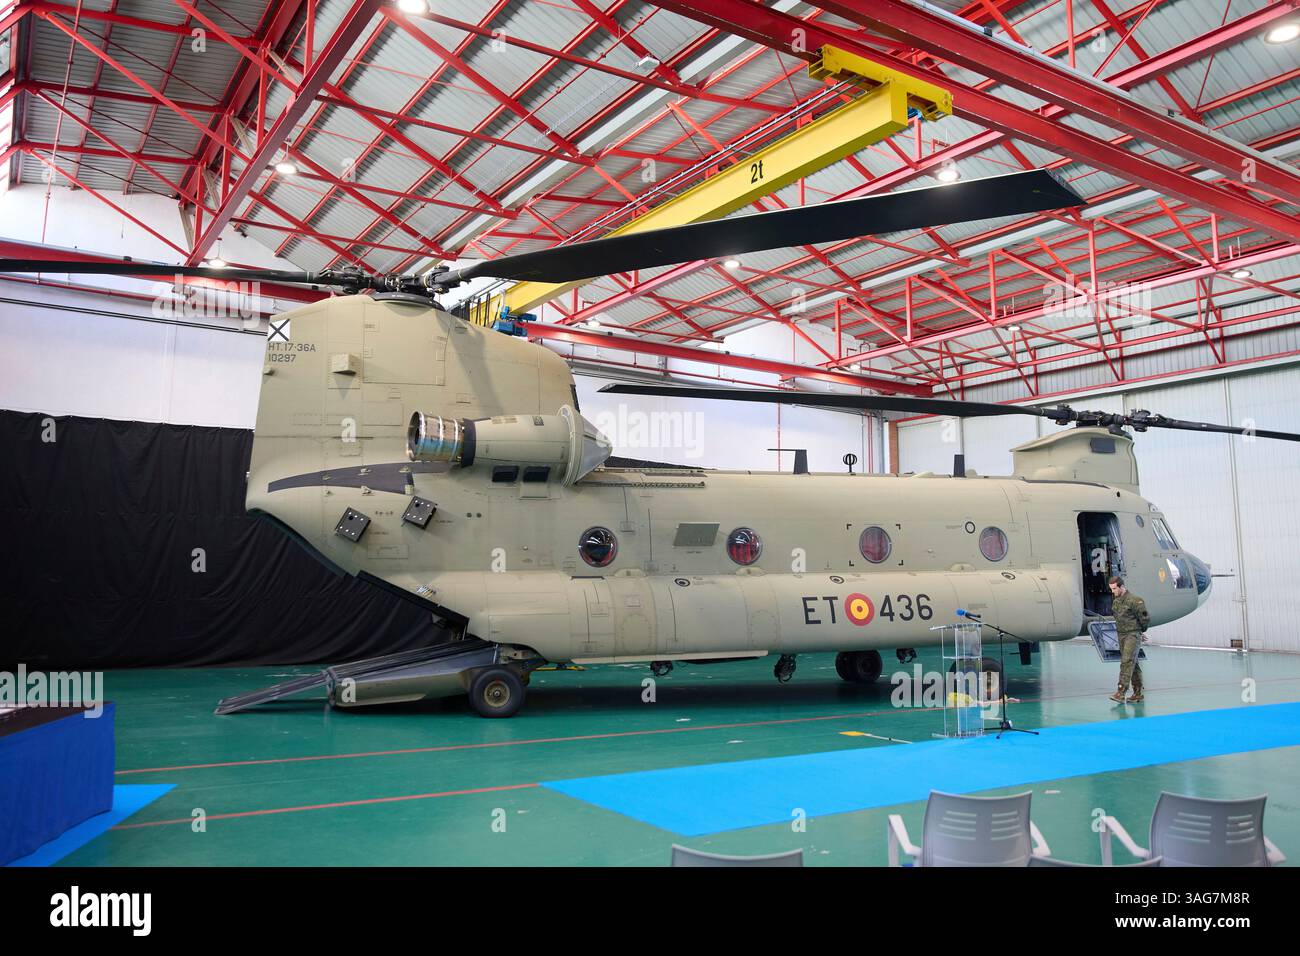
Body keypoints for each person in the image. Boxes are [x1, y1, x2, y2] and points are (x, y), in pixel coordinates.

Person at [1108, 575, 1150, 703]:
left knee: (1126, 662)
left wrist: (1139, 632)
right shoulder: (1116, 601)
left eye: (1114, 589)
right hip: (1121, 635)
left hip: (1132, 635)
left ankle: (1121, 692)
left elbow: (1144, 619)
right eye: (1111, 589)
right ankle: (1138, 693)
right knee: (1133, 663)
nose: (1113, 591)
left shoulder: (1135, 600)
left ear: (1121, 587)